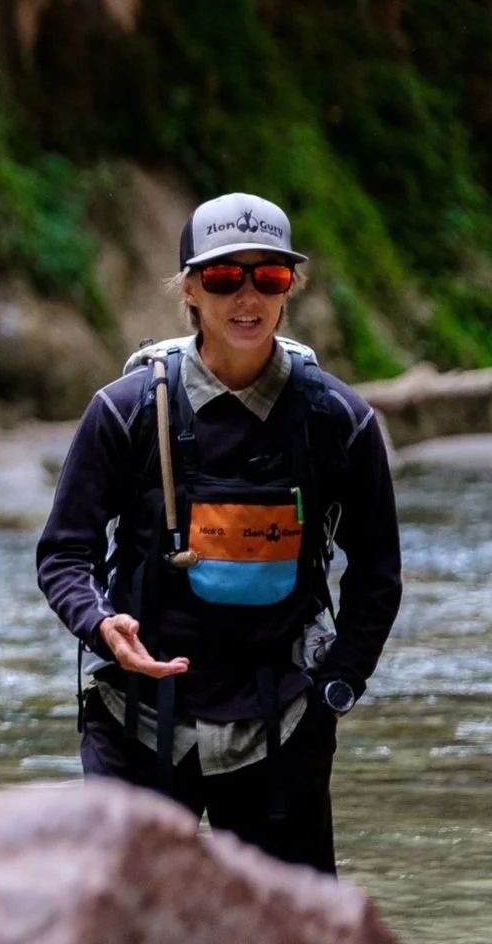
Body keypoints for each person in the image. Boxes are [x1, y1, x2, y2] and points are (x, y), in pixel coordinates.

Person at [37, 192, 402, 873]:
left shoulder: (337, 422)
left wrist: (339, 685)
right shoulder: (124, 411)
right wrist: (98, 623)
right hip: (135, 717)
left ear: (288, 288)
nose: (246, 295)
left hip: (283, 722)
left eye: (268, 276)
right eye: (222, 276)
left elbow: (377, 572)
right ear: (188, 290)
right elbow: (64, 551)